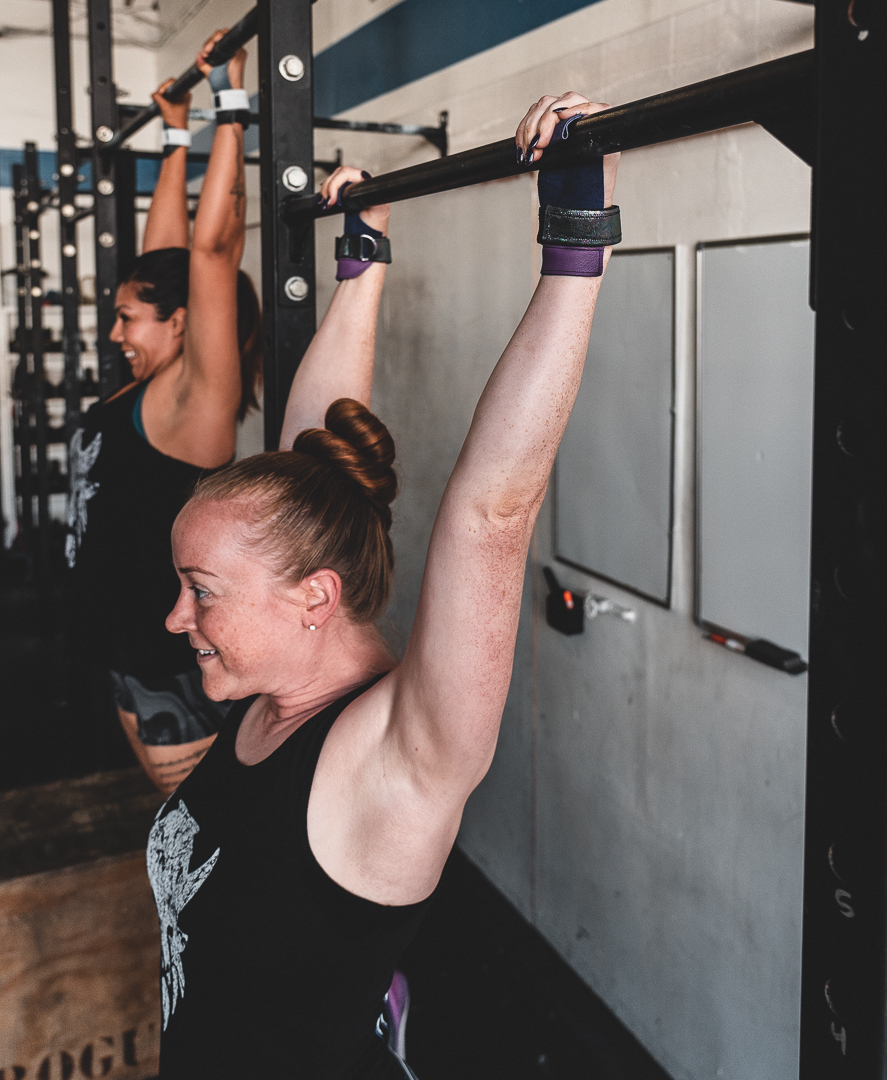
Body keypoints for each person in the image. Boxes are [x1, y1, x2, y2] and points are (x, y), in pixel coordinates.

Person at [148, 92, 620, 1078]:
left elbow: (491, 515)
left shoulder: (398, 757)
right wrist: (361, 263)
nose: (176, 617)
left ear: (314, 598)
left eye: (201, 591)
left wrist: (575, 240)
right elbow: (303, 467)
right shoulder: (275, 677)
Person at [65, 30, 261, 795]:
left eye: (127, 318)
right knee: (181, 824)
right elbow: (167, 258)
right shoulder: (153, 379)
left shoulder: (195, 402)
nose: (116, 334)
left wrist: (230, 96)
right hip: (122, 647)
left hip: (164, 661)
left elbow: (208, 255)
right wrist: (175, 131)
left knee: (203, 828)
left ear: (179, 322)